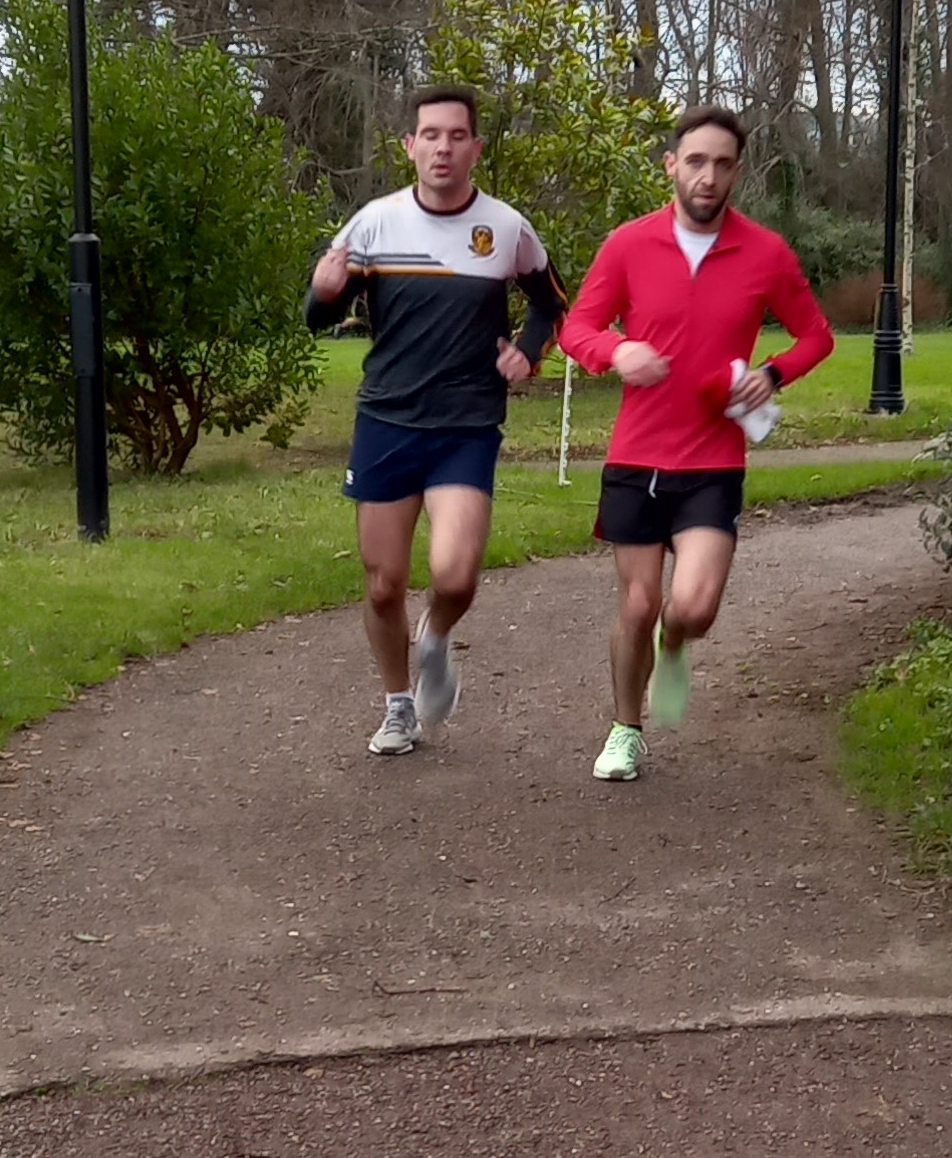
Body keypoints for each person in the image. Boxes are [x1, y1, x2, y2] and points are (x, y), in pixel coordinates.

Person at [560, 106, 835, 783]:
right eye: (695, 161)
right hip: (636, 455)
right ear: (672, 165)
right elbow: (576, 328)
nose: (708, 176)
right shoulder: (628, 244)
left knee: (692, 607)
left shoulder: (765, 252)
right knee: (636, 602)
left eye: (722, 164)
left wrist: (771, 374)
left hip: (713, 458)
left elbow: (816, 336)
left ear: (737, 172)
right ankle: (626, 729)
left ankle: (675, 643)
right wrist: (617, 349)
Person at [305, 86, 567, 757]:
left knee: (454, 576)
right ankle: (398, 706)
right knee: (383, 581)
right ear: (410, 146)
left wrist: (526, 351)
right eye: (431, 135)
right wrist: (326, 293)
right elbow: (317, 316)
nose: (443, 147)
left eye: (457, 135)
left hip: (466, 422)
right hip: (387, 419)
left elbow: (549, 303)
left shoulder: (507, 228)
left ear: (475, 147)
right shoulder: (374, 223)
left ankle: (437, 638)